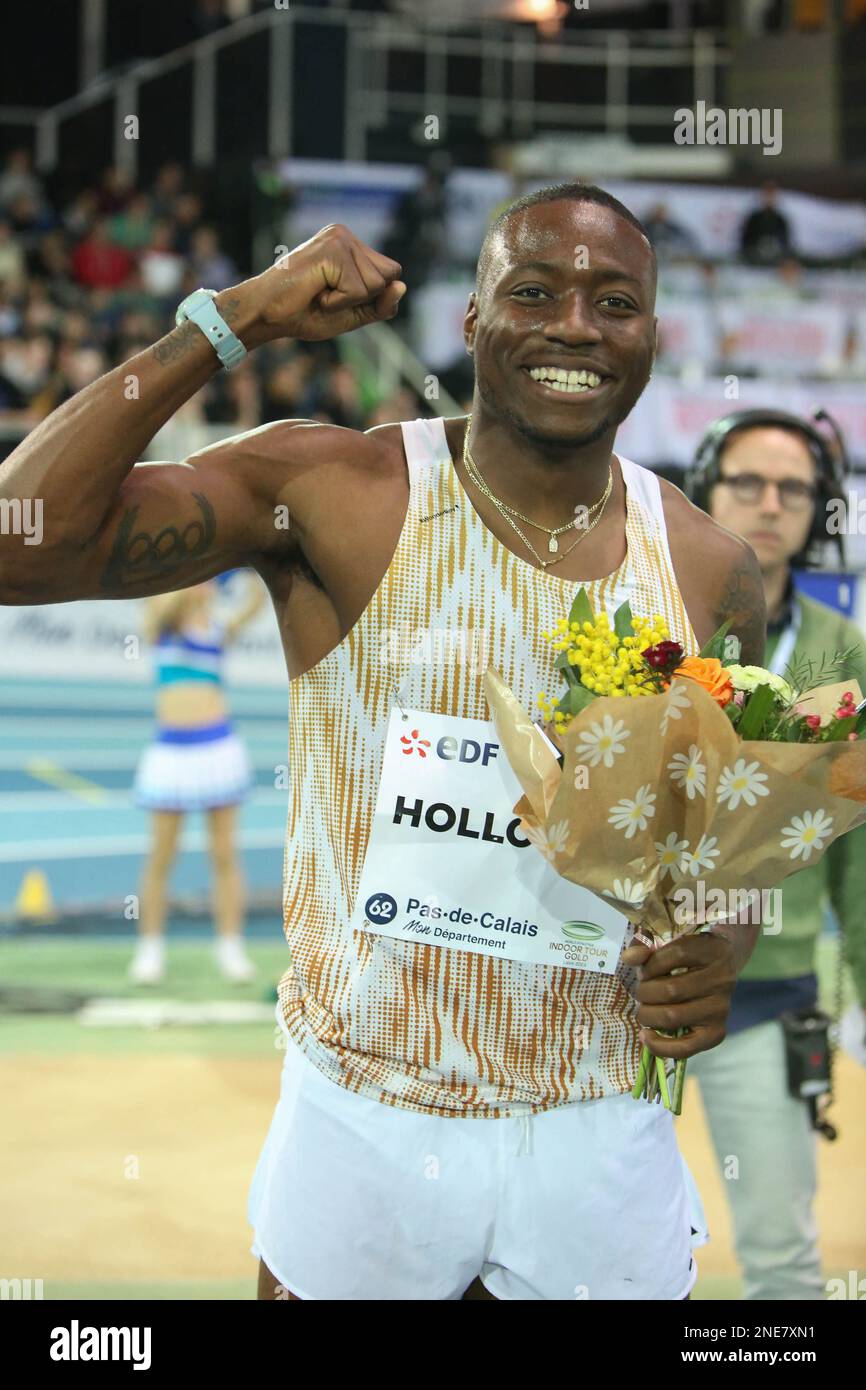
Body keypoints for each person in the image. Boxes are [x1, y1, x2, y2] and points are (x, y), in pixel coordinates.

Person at [1, 183, 768, 1302]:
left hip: (597, 1125)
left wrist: (724, 950)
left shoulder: (707, 570)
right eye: (533, 291)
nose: (572, 326)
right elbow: (20, 544)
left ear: (651, 336)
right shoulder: (336, 491)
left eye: (613, 302)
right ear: (467, 320)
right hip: (363, 1116)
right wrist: (235, 317)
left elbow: (725, 856)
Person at [686, 410, 866, 1300]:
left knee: (785, 1270)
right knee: (581, 1262)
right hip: (610, 991)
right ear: (706, 489)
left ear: (820, 507)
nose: (768, 503)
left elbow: (860, 857)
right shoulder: (645, 626)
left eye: (792, 489)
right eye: (745, 483)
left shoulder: (847, 652)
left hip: (768, 999)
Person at [129, 573, 267, 985]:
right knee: (161, 856)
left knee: (224, 855)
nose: (206, 585)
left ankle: (230, 947)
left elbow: (257, 604)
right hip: (171, 752)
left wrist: (249, 568)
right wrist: (189, 576)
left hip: (218, 749)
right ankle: (150, 950)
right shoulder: (162, 624)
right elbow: (163, 604)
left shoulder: (219, 630)